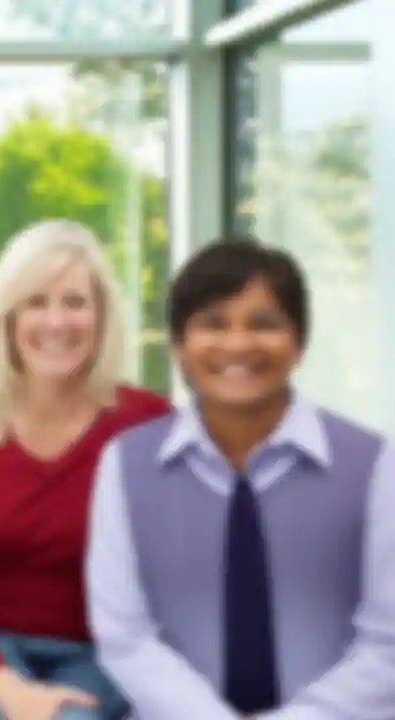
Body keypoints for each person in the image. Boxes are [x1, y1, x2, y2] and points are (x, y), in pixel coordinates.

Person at [86, 236, 395, 719]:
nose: (237, 344)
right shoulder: (126, 464)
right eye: (213, 323)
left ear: (299, 343)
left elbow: (388, 642)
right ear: (179, 346)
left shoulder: (374, 464)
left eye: (264, 324)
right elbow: (124, 636)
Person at [0, 220, 170, 720]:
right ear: (8, 317)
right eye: (36, 302)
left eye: (75, 302)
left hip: (99, 654)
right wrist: (6, 688)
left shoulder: (148, 424)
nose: (56, 322)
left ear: (102, 316)